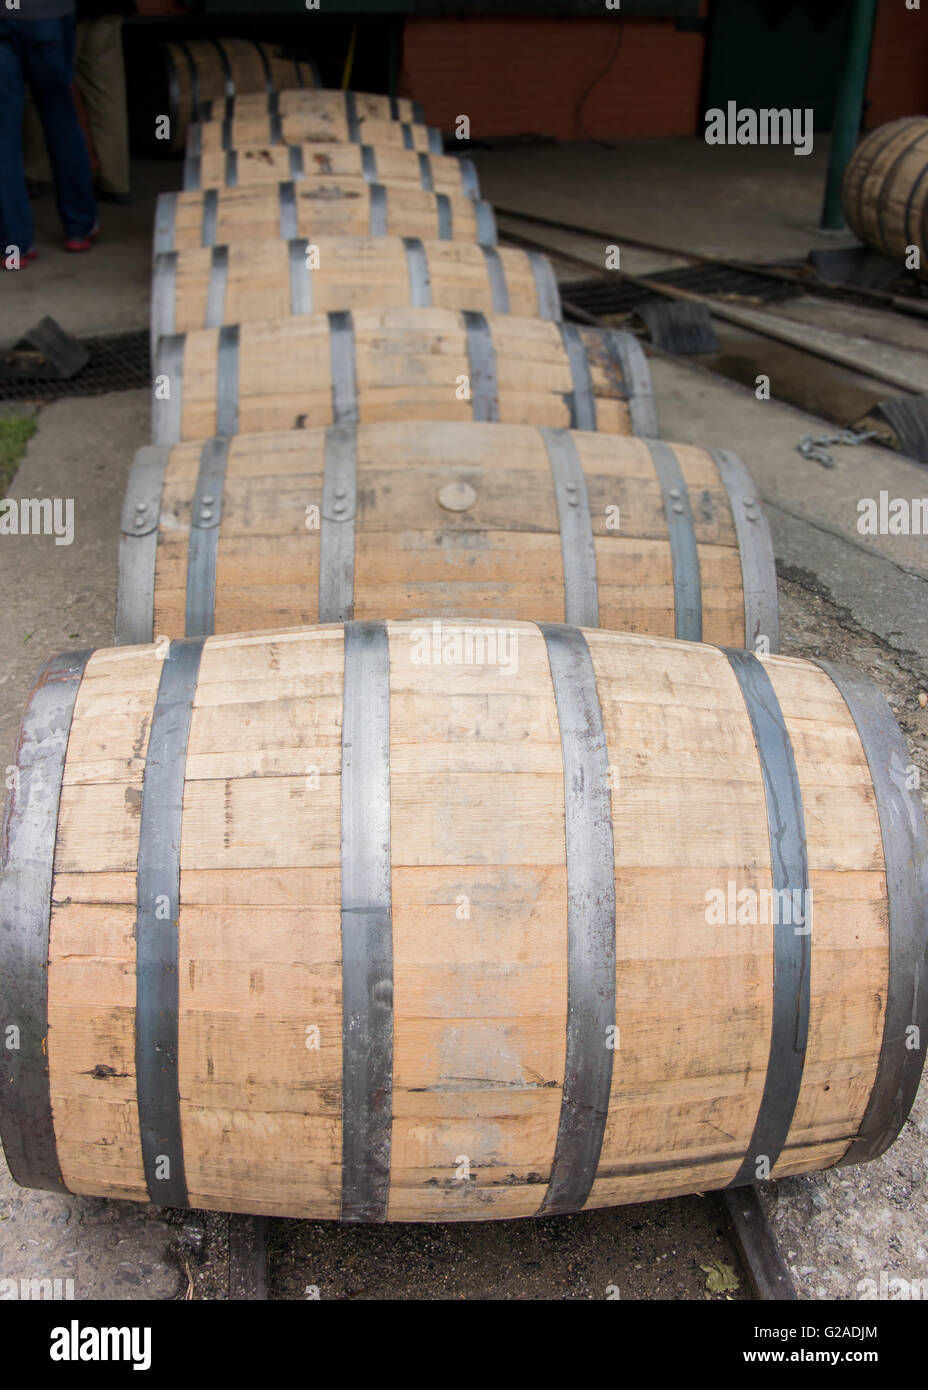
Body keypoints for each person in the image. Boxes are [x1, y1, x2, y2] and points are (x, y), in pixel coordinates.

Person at [0, 0, 98, 263]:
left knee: (3, 134)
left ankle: (13, 243)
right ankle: (78, 228)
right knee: (61, 121)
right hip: (47, 14)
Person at [23, 0, 133, 205]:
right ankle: (115, 180)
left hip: (62, 11)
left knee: (44, 86)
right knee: (108, 95)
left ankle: (37, 173)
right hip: (108, 9)